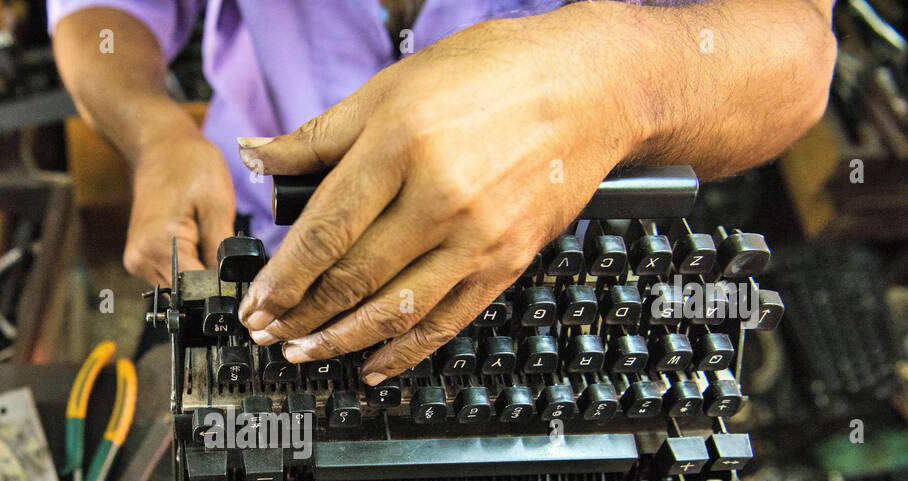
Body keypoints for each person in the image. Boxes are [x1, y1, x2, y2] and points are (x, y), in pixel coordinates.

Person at [50, 1, 836, 384]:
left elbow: (796, 47)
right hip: (258, 258)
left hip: (550, 300)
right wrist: (150, 126)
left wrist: (616, 80)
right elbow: (102, 17)